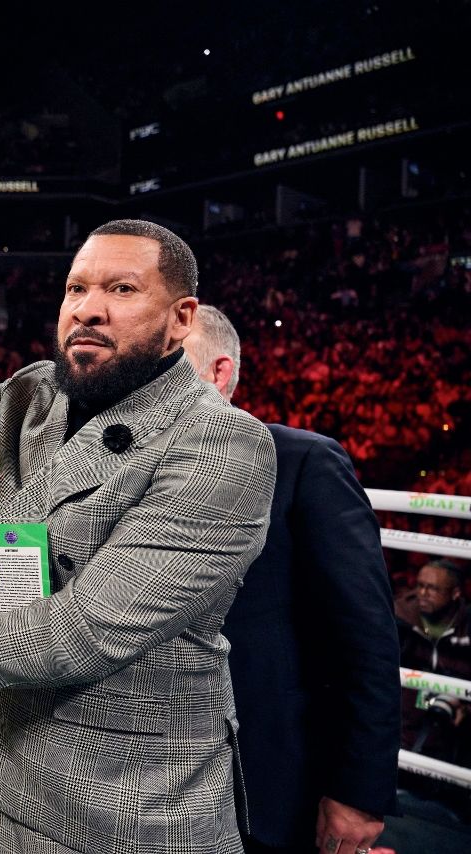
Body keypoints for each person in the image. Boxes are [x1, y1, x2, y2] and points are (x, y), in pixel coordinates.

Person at [0, 217, 277, 854]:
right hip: (12, 783)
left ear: (181, 318)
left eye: (122, 290)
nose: (88, 311)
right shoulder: (36, 395)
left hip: (134, 809)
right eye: (76, 290)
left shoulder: (220, 442)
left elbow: (89, 632)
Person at [183, 304, 399, 854]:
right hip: (141, 782)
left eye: (168, 365)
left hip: (268, 782)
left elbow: (367, 635)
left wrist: (360, 791)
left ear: (219, 373)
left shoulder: (303, 462)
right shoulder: (112, 470)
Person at [395, 558, 471, 818]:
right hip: (402, 715)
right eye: (420, 585)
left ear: (455, 593)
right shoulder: (400, 615)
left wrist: (464, 702)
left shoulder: (468, 625)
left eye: (433, 588)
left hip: (450, 726)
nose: (423, 593)